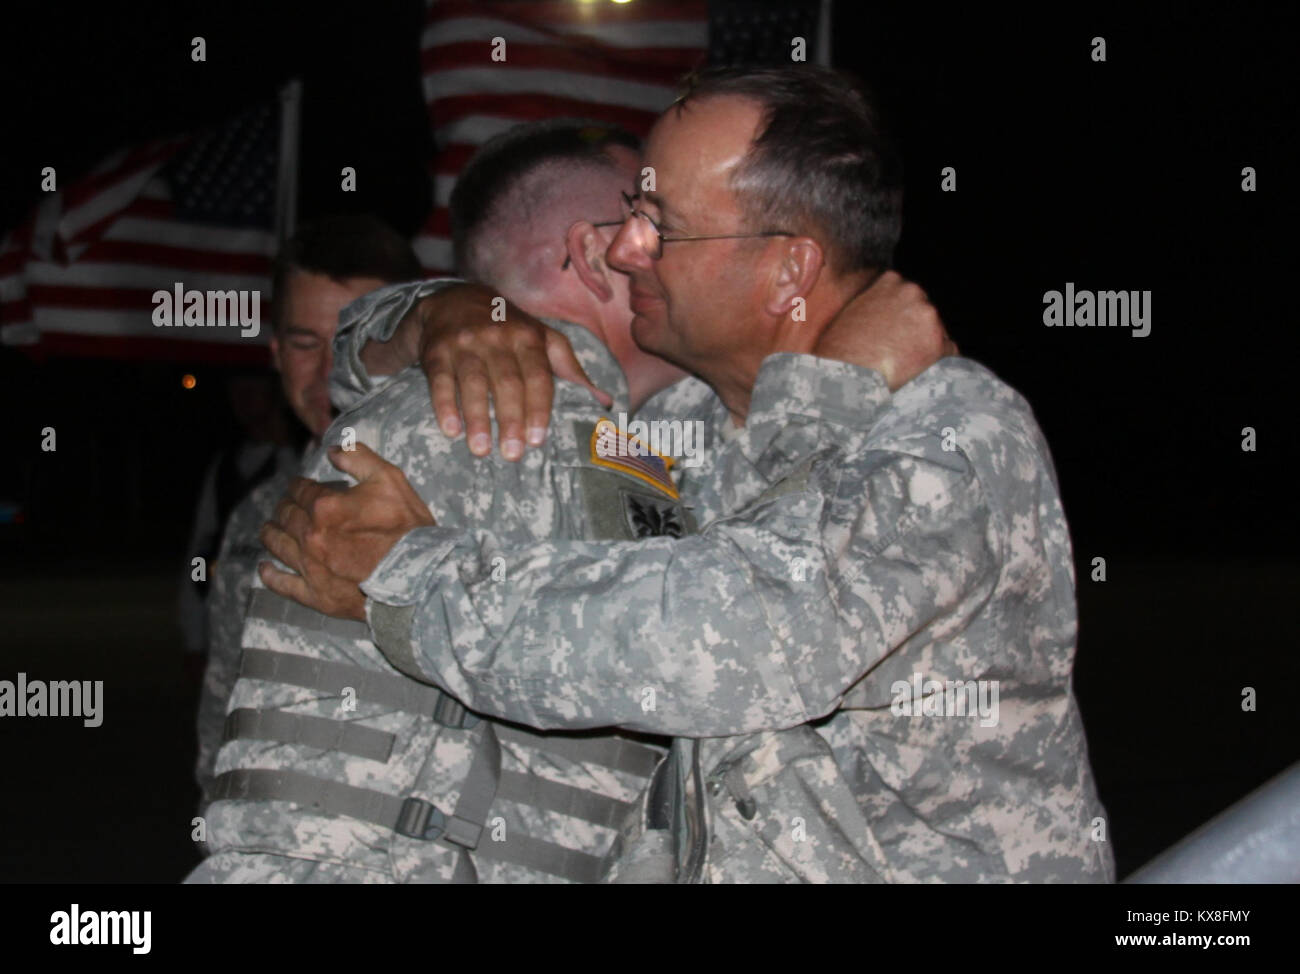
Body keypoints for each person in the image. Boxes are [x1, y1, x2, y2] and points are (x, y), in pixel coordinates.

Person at [266, 65, 1114, 882]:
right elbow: (363, 383)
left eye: (660, 221)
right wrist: (438, 314)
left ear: (790, 269)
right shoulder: (678, 432)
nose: (627, 247)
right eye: (634, 206)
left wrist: (405, 579)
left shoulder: (949, 430)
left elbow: (730, 636)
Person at [190, 115, 946, 883]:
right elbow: (750, 631)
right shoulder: (495, 416)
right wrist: (846, 390)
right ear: (592, 254)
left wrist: (424, 312)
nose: (646, 253)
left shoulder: (623, 440)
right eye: (644, 225)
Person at [193, 213, 422, 814]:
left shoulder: (462, 504)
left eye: (355, 342)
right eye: (304, 343)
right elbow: (224, 715)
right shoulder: (254, 515)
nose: (329, 372)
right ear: (274, 352)